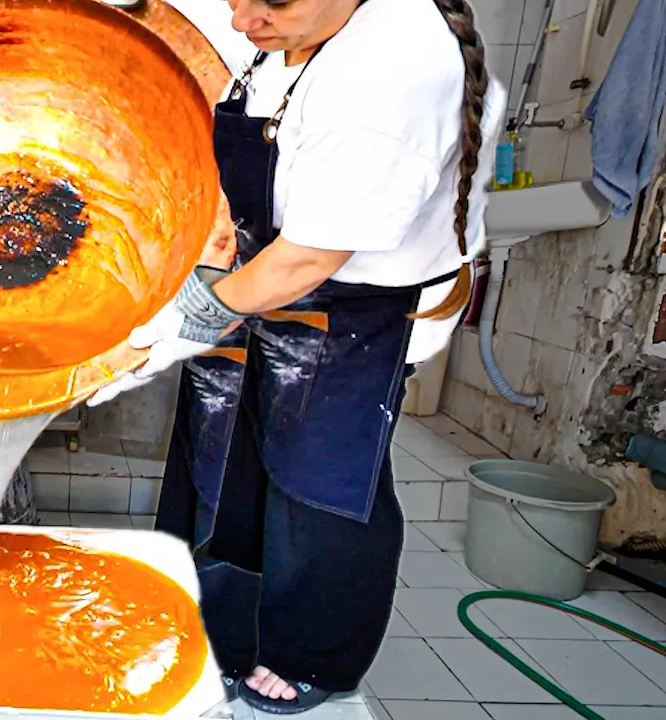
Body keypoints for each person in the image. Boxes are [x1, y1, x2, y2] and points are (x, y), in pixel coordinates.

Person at [89, 0, 505, 714]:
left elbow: (312, 254)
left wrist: (191, 317)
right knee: (222, 450)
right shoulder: (291, 19)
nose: (245, 18)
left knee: (321, 482)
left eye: (272, 3)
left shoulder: (394, 72)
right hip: (263, 268)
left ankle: (310, 652)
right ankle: (219, 625)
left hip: (357, 303)